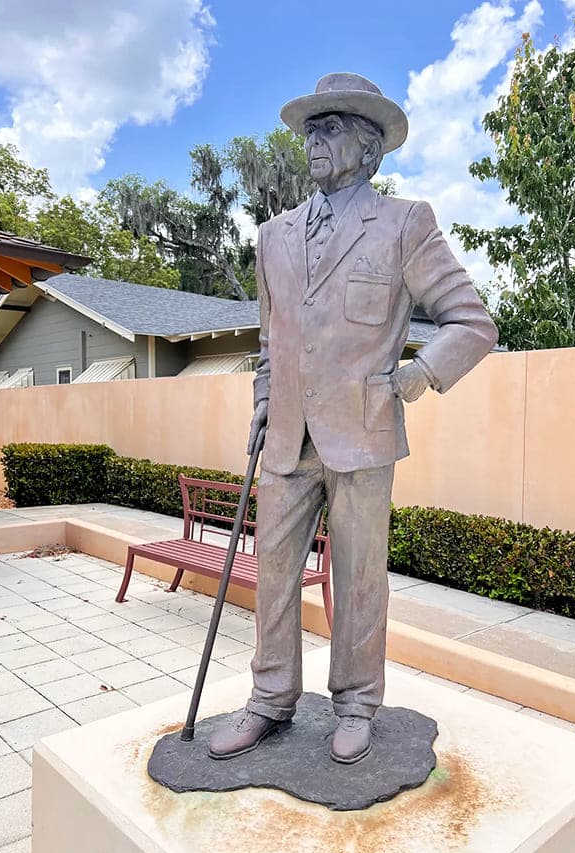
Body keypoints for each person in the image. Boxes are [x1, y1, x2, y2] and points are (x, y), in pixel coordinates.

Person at [209, 73, 498, 764]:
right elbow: (271, 339)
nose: (314, 140)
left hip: (363, 433)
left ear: (368, 150)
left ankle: (358, 701)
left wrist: (417, 376)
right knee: (272, 569)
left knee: (361, 575)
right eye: (311, 128)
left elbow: (473, 322)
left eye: (330, 128)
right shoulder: (273, 237)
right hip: (285, 438)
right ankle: (270, 697)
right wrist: (259, 406)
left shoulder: (405, 223)